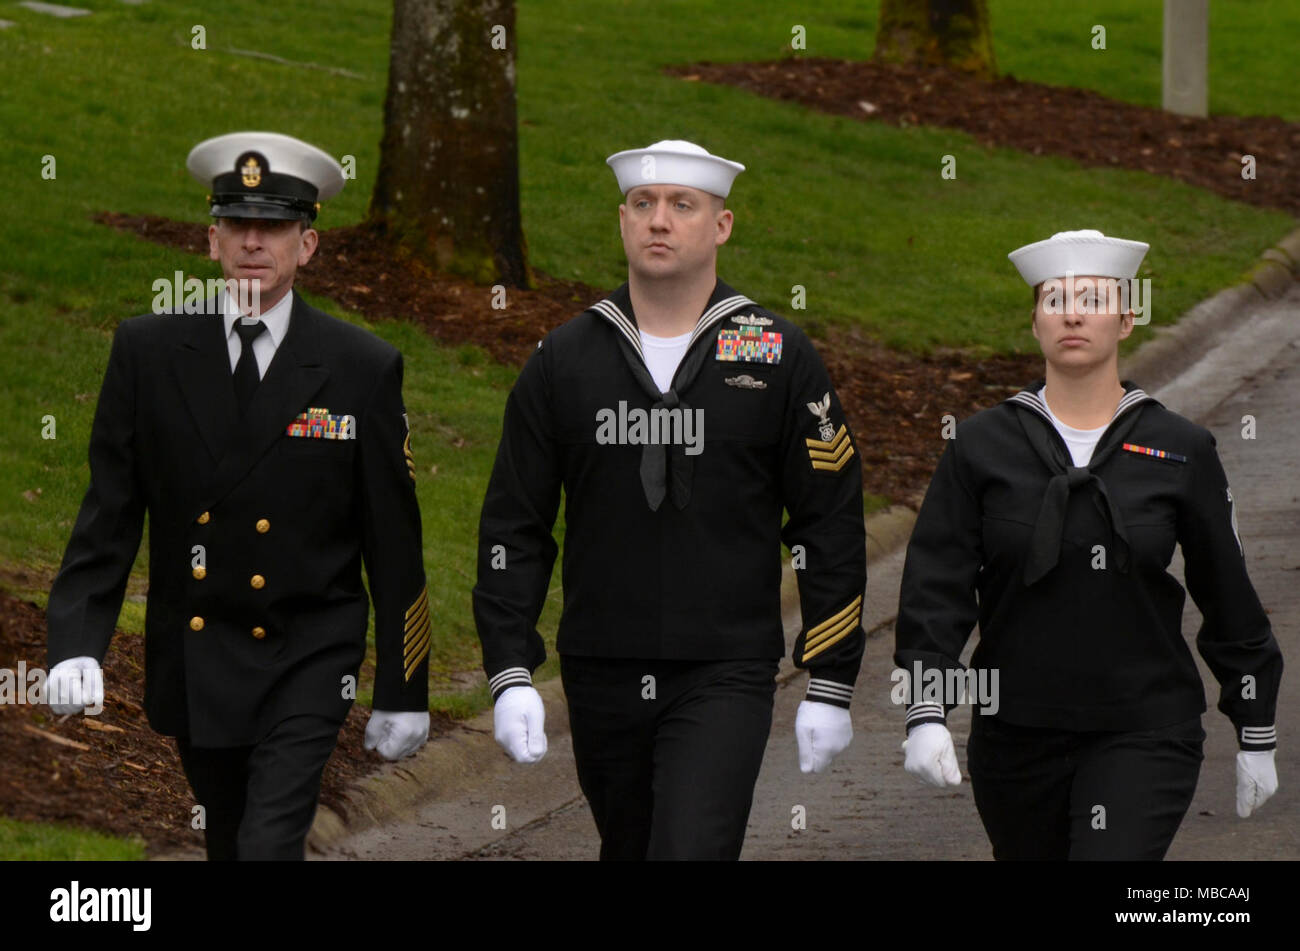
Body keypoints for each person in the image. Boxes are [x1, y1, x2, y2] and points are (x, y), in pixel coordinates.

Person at [472, 140, 867, 860]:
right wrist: (509, 669)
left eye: (682, 205)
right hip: (601, 665)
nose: (660, 220)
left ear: (721, 225)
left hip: (726, 667)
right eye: (644, 205)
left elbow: (829, 521)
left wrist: (832, 675)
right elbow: (515, 525)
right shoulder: (565, 359)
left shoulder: (777, 355)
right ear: (623, 220)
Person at [44, 131, 432, 860]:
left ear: (307, 245)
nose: (255, 242)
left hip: (309, 654)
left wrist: (404, 685)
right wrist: (75, 641)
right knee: (230, 836)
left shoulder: (361, 367)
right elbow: (111, 514)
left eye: (275, 227)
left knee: (265, 842)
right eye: (238, 226)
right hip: (200, 650)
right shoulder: (149, 352)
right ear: (212, 240)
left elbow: (395, 544)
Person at [894, 229, 1283, 860]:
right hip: (1016, 733)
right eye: (1056, 299)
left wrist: (1256, 726)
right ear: (1036, 321)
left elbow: (1228, 590)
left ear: (1127, 319)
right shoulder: (980, 446)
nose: (1073, 313)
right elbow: (936, 586)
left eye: (1094, 299)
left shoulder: (1181, 448)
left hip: (1146, 728)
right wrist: (927, 707)